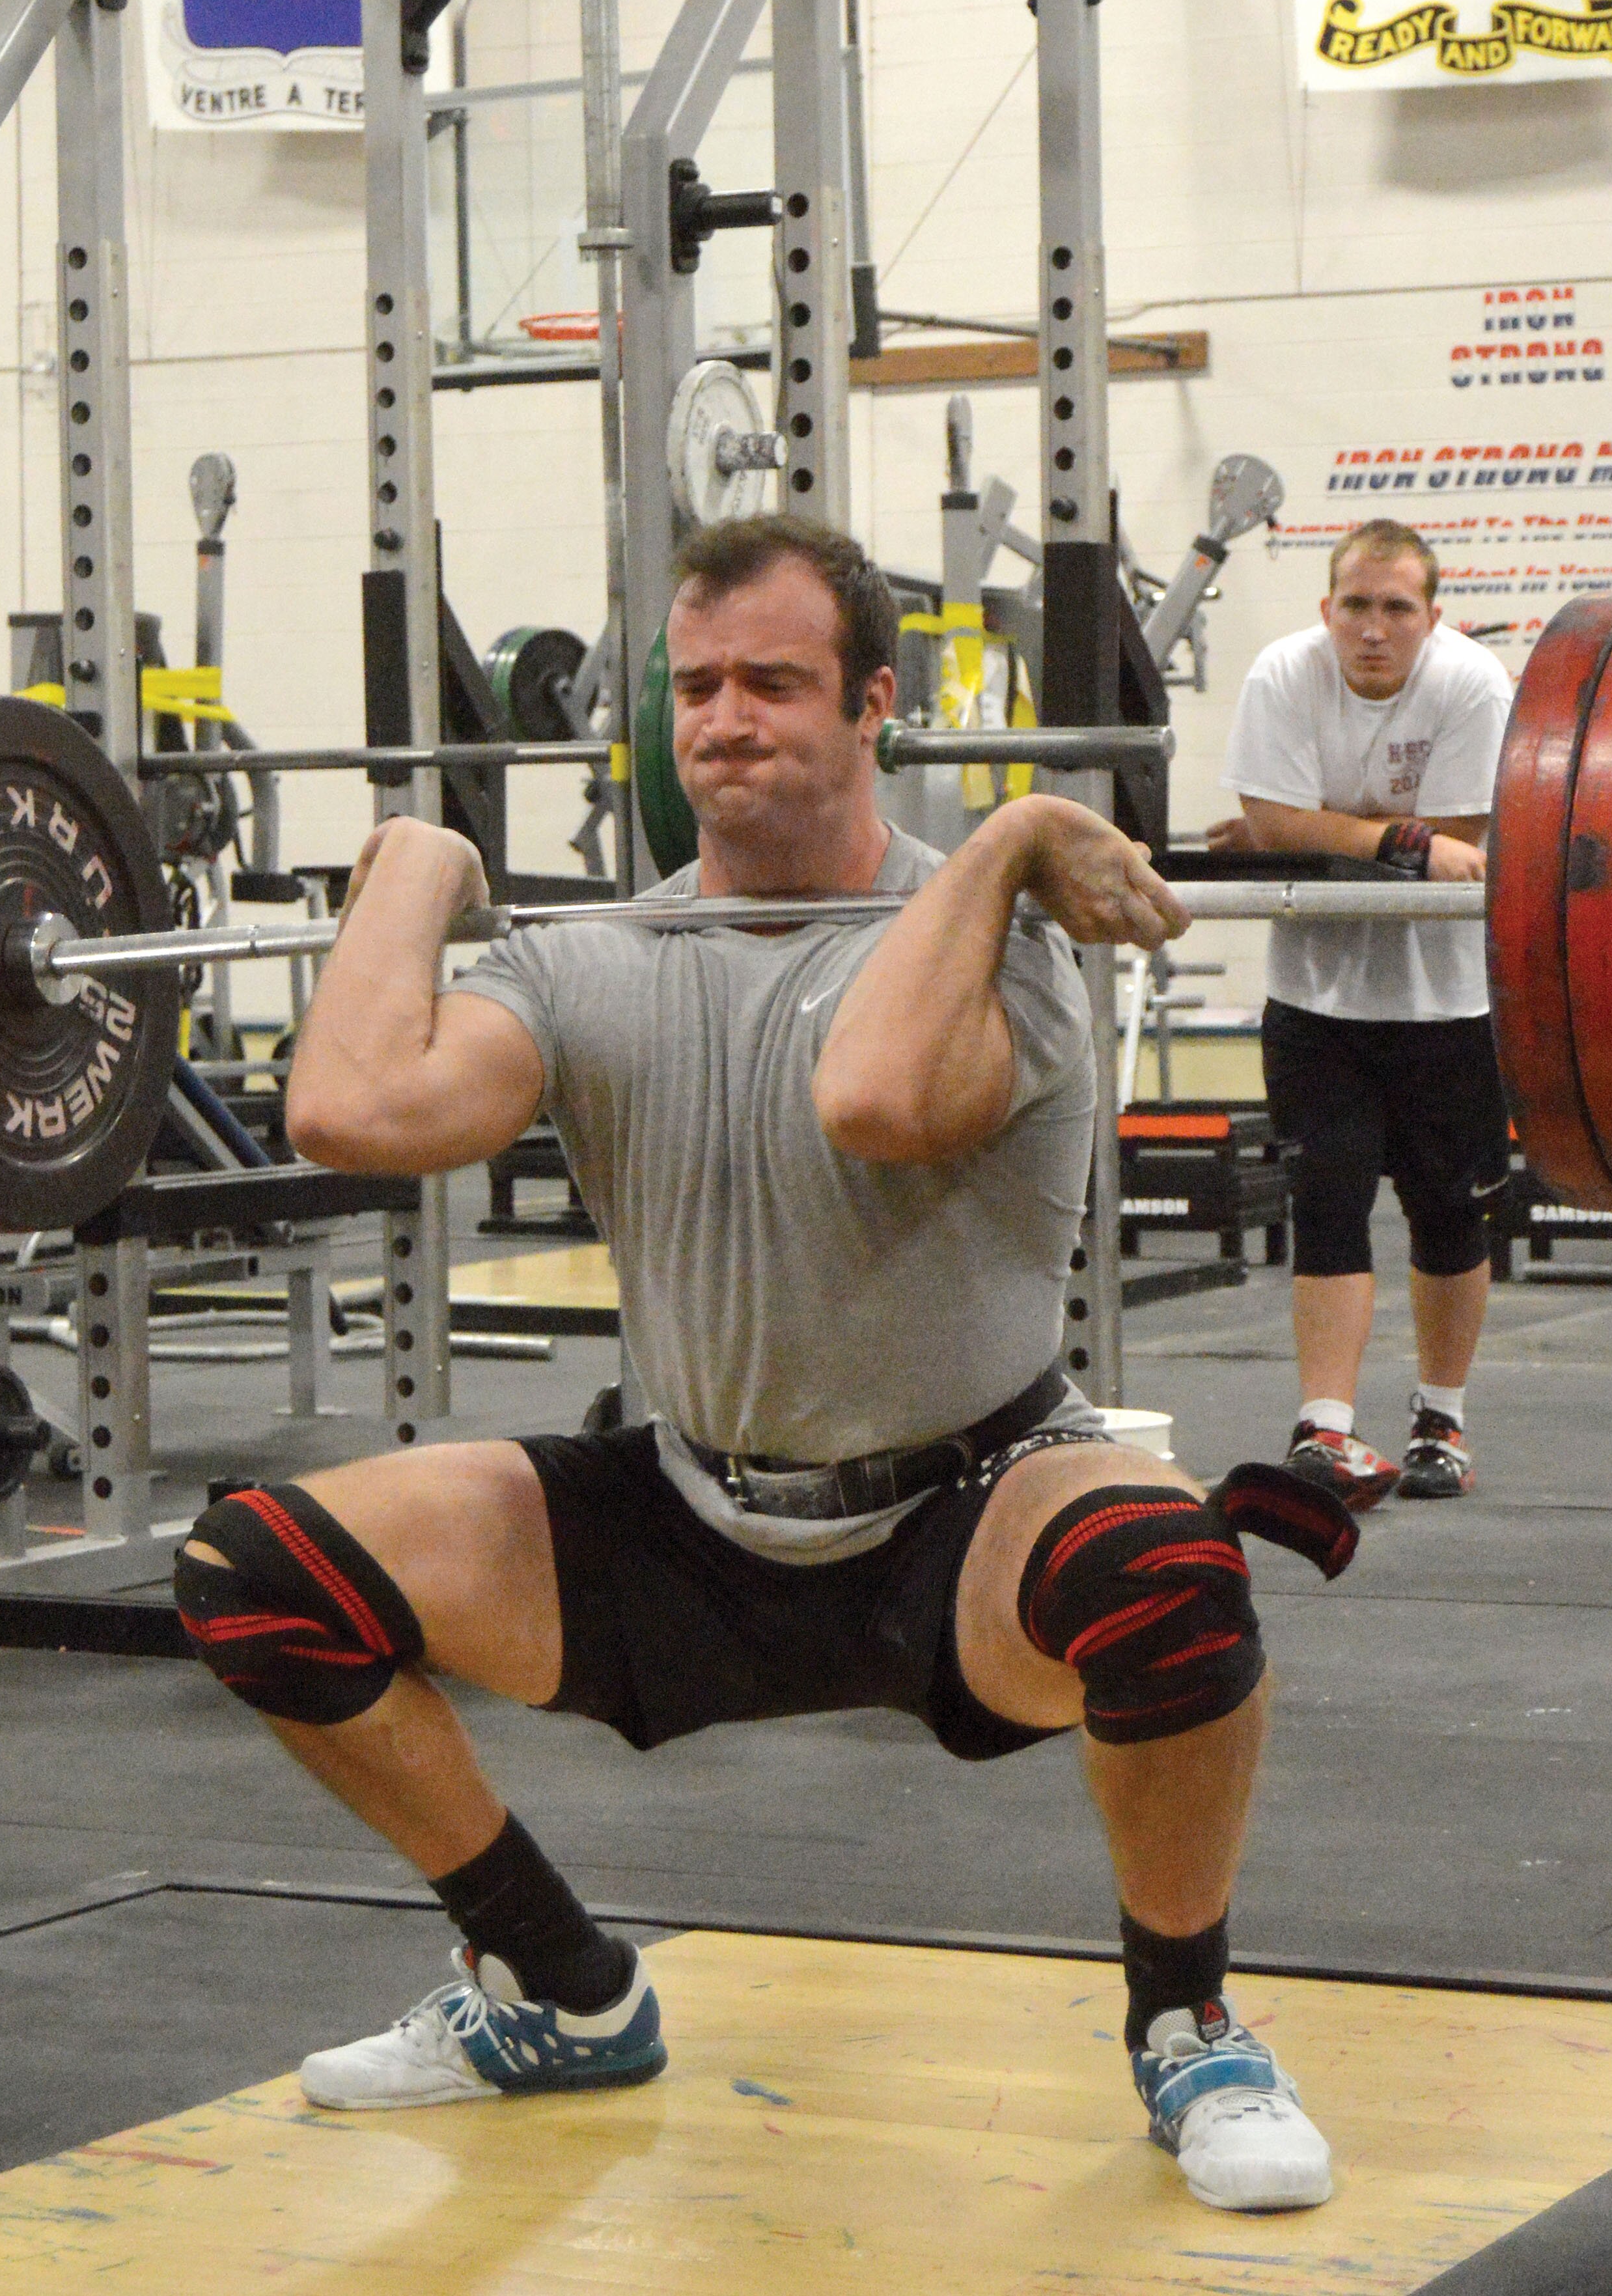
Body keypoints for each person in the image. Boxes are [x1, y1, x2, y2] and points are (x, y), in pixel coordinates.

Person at [174, 515, 1361, 2213]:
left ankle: (1189, 2023)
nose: (724, 717)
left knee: (1168, 1570)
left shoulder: (1008, 949)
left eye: (776, 682)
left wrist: (1012, 832)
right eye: (697, 683)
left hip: (973, 1509)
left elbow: (871, 1097)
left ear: (877, 699)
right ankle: (554, 1982)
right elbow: (354, 1110)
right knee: (257, 1573)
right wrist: (415, 867)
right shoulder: (590, 961)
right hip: (686, 1506)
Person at [1211, 518, 1514, 1507]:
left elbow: (1470, 841)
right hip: (1317, 999)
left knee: (1448, 1213)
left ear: (1433, 615)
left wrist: (1326, 836)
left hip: (1448, 1002)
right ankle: (1325, 1431)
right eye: (1356, 607)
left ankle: (1442, 1420)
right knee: (1328, 1204)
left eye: (1396, 609)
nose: (1373, 629)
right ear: (1326, 610)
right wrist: (1400, 842)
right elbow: (1272, 824)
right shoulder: (1283, 676)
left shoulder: (1472, 685)